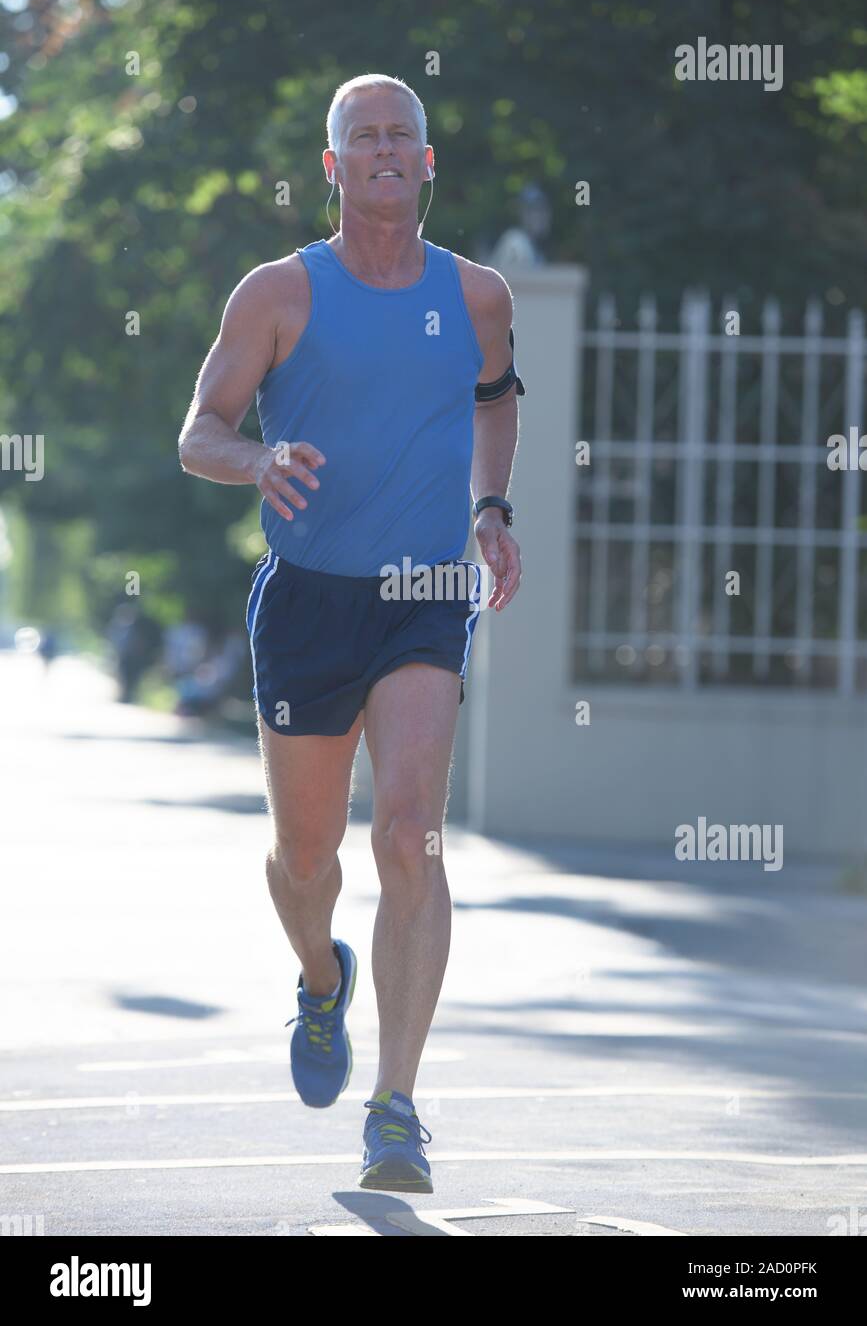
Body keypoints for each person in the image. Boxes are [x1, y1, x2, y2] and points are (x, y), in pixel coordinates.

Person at [178, 73, 525, 1194]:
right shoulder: (280, 293)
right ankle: (320, 978)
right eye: (361, 137)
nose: (383, 150)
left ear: (427, 162)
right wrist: (258, 459)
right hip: (310, 599)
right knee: (307, 856)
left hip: (425, 591)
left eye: (401, 136)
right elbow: (200, 432)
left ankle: (397, 1108)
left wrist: (490, 508)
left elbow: (496, 393)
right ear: (332, 168)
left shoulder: (476, 295)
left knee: (410, 831)